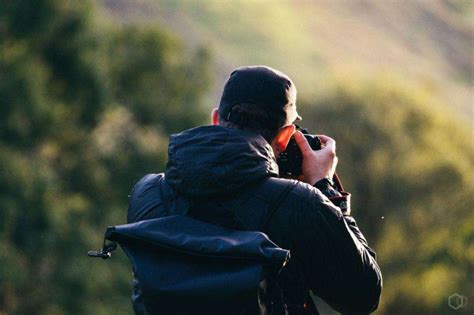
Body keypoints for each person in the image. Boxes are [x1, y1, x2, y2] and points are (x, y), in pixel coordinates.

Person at [127, 65, 382, 314]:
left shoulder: (148, 194)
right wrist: (324, 187)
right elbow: (364, 296)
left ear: (216, 119)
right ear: (285, 137)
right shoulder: (300, 205)